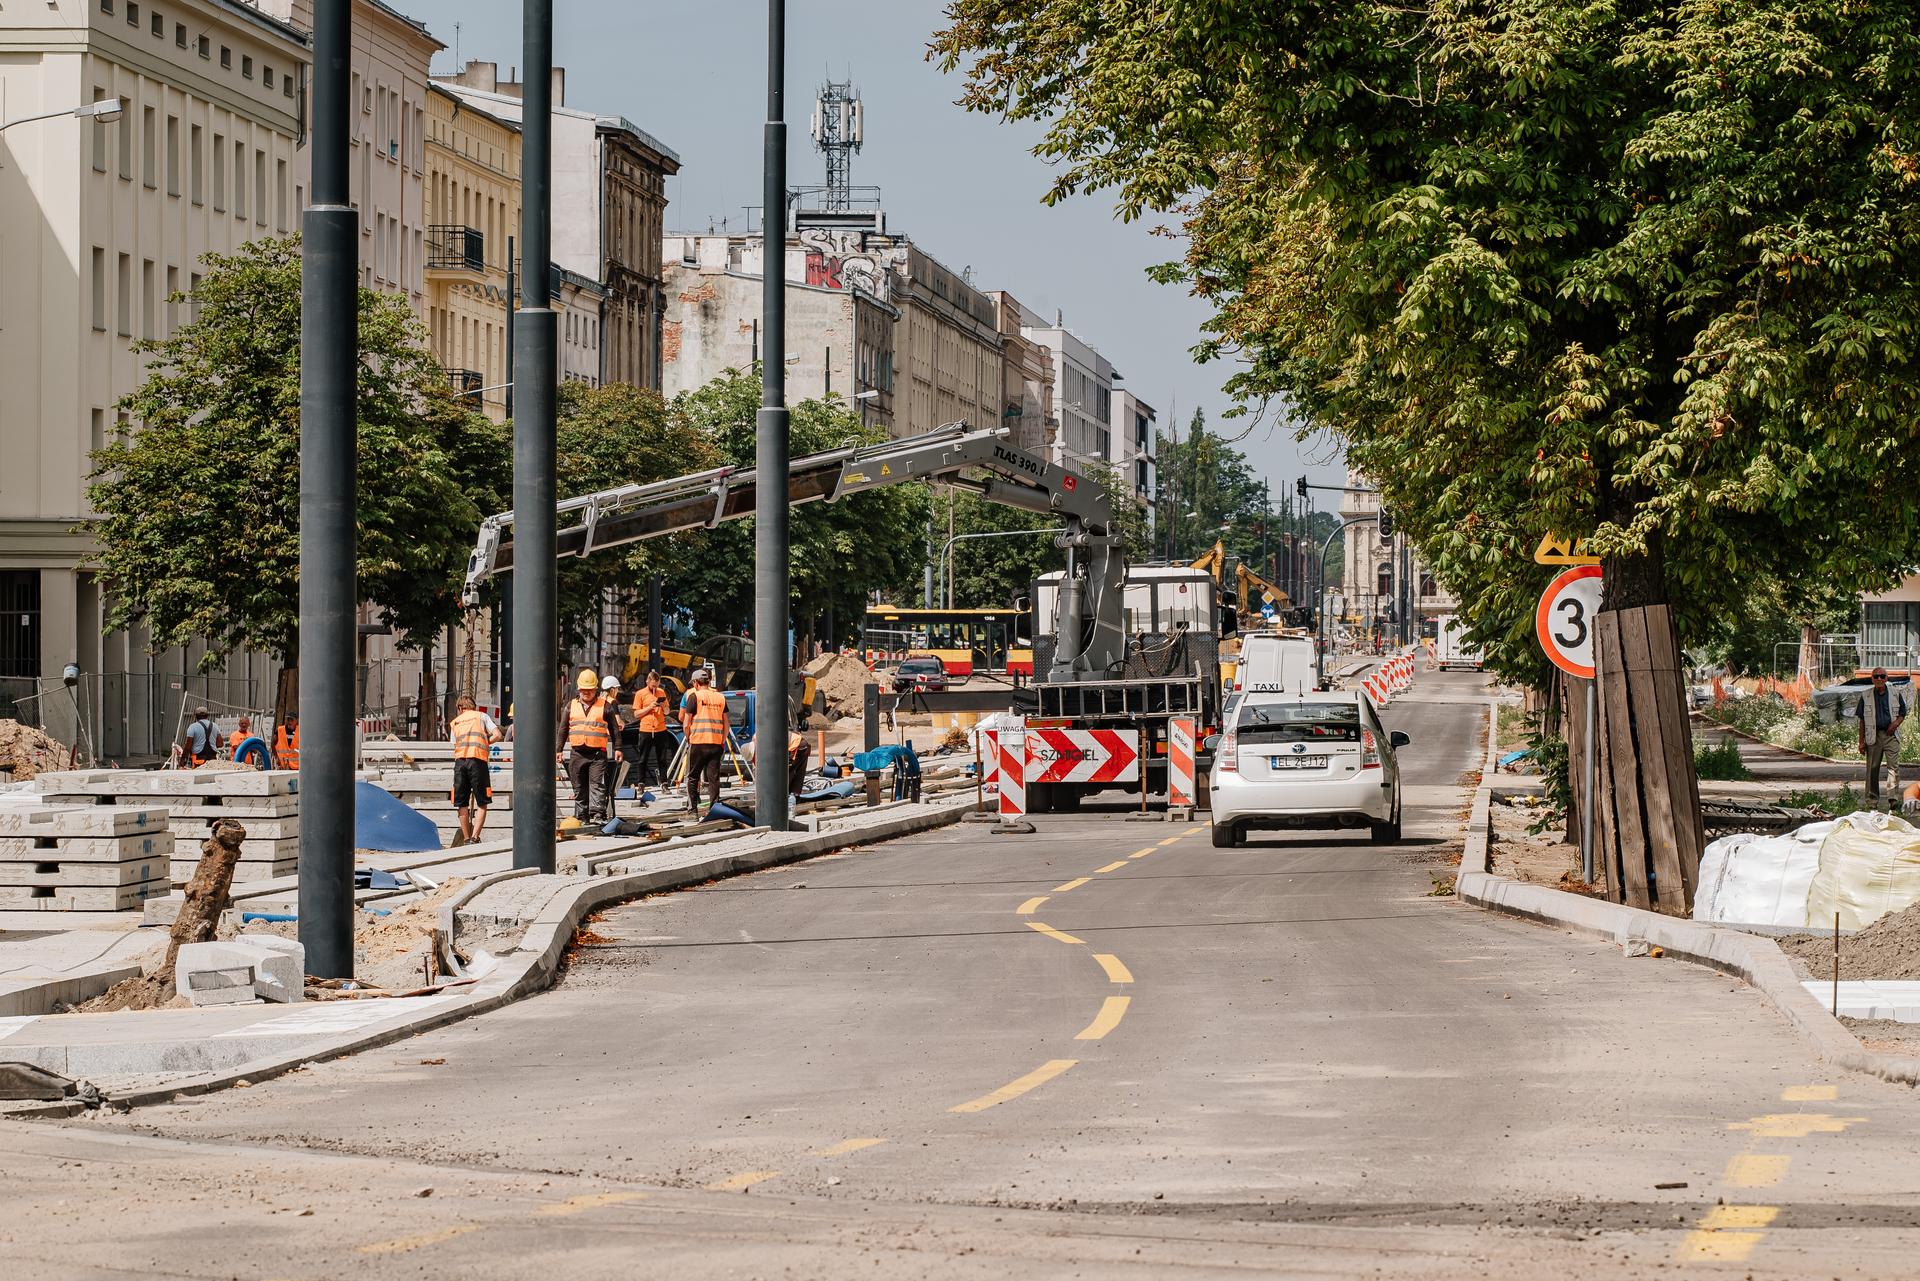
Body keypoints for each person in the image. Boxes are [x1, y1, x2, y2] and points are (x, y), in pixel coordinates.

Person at [558, 668, 618, 824]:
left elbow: (614, 729)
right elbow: (563, 729)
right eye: (584, 690)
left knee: (596, 784)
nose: (586, 693)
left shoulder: (605, 706)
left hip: (597, 753)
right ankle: (581, 814)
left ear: (595, 689)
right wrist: (558, 750)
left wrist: (618, 748)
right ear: (579, 689)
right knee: (578, 785)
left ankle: (597, 814)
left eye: (589, 690)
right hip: (577, 752)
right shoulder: (571, 706)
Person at [448, 695, 504, 846]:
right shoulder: (482, 716)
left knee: (461, 803)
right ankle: (475, 837)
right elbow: (498, 735)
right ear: (473, 707)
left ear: (460, 708)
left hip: (460, 763)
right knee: (482, 802)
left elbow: (455, 745)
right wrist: (486, 742)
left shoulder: (455, 723)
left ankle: (466, 839)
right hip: (478, 761)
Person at [679, 666, 728, 815]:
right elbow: (726, 723)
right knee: (714, 778)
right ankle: (714, 810)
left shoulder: (694, 696)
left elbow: (686, 723)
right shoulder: (720, 697)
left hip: (698, 742)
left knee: (693, 777)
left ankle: (693, 811)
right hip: (715, 743)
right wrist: (722, 740)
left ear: (695, 683)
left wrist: (688, 737)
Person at [1859, 668, 1907, 804]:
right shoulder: (1865, 695)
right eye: (1876, 676)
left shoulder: (1895, 693)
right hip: (1873, 735)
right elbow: (1861, 720)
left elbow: (1903, 713)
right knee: (1872, 769)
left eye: (1882, 676)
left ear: (1886, 678)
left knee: (1893, 767)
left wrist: (1896, 723)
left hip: (1891, 735)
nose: (1879, 679)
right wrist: (1861, 741)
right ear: (1872, 679)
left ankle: (1893, 799)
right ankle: (1872, 801)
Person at [631, 669, 675, 787]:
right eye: (652, 686)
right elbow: (636, 714)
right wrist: (649, 707)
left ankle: (664, 783)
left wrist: (663, 705)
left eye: (656, 686)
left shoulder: (661, 692)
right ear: (647, 682)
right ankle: (641, 783)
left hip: (660, 729)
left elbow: (667, 712)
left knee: (662, 758)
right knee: (642, 758)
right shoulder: (640, 694)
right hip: (646, 729)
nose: (654, 689)